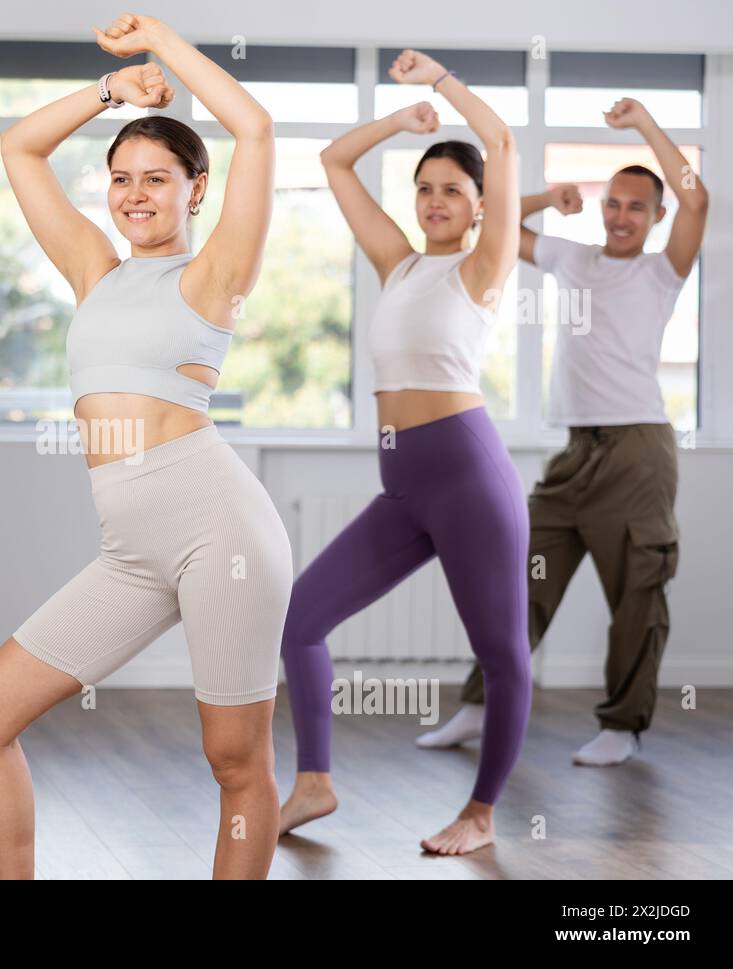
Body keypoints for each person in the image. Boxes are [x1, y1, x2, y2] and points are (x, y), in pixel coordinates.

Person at [0, 14, 293, 879]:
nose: (135, 194)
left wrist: (167, 47)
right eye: (120, 178)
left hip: (219, 528)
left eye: (157, 179)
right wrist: (112, 89)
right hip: (131, 548)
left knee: (234, 760)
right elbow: (21, 151)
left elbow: (254, 127)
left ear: (197, 188)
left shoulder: (213, 275)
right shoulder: (93, 269)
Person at [278, 50, 527, 855]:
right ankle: (314, 782)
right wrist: (399, 121)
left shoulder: (483, 269)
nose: (434, 201)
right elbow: (332, 161)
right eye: (424, 188)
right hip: (404, 490)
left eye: (452, 189)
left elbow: (507, 145)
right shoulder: (400, 263)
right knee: (300, 619)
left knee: (500, 654)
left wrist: (440, 83)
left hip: (467, 479)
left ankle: (481, 814)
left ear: (482, 205)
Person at [418, 97, 707, 767]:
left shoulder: (662, 273)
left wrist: (641, 126)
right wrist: (550, 196)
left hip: (638, 452)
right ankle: (479, 704)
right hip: (575, 453)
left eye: (638, 207)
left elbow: (698, 203)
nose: (623, 216)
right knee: (521, 581)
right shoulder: (572, 259)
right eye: (615, 203)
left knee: (637, 593)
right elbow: (489, 219)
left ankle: (622, 725)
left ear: (655, 217)